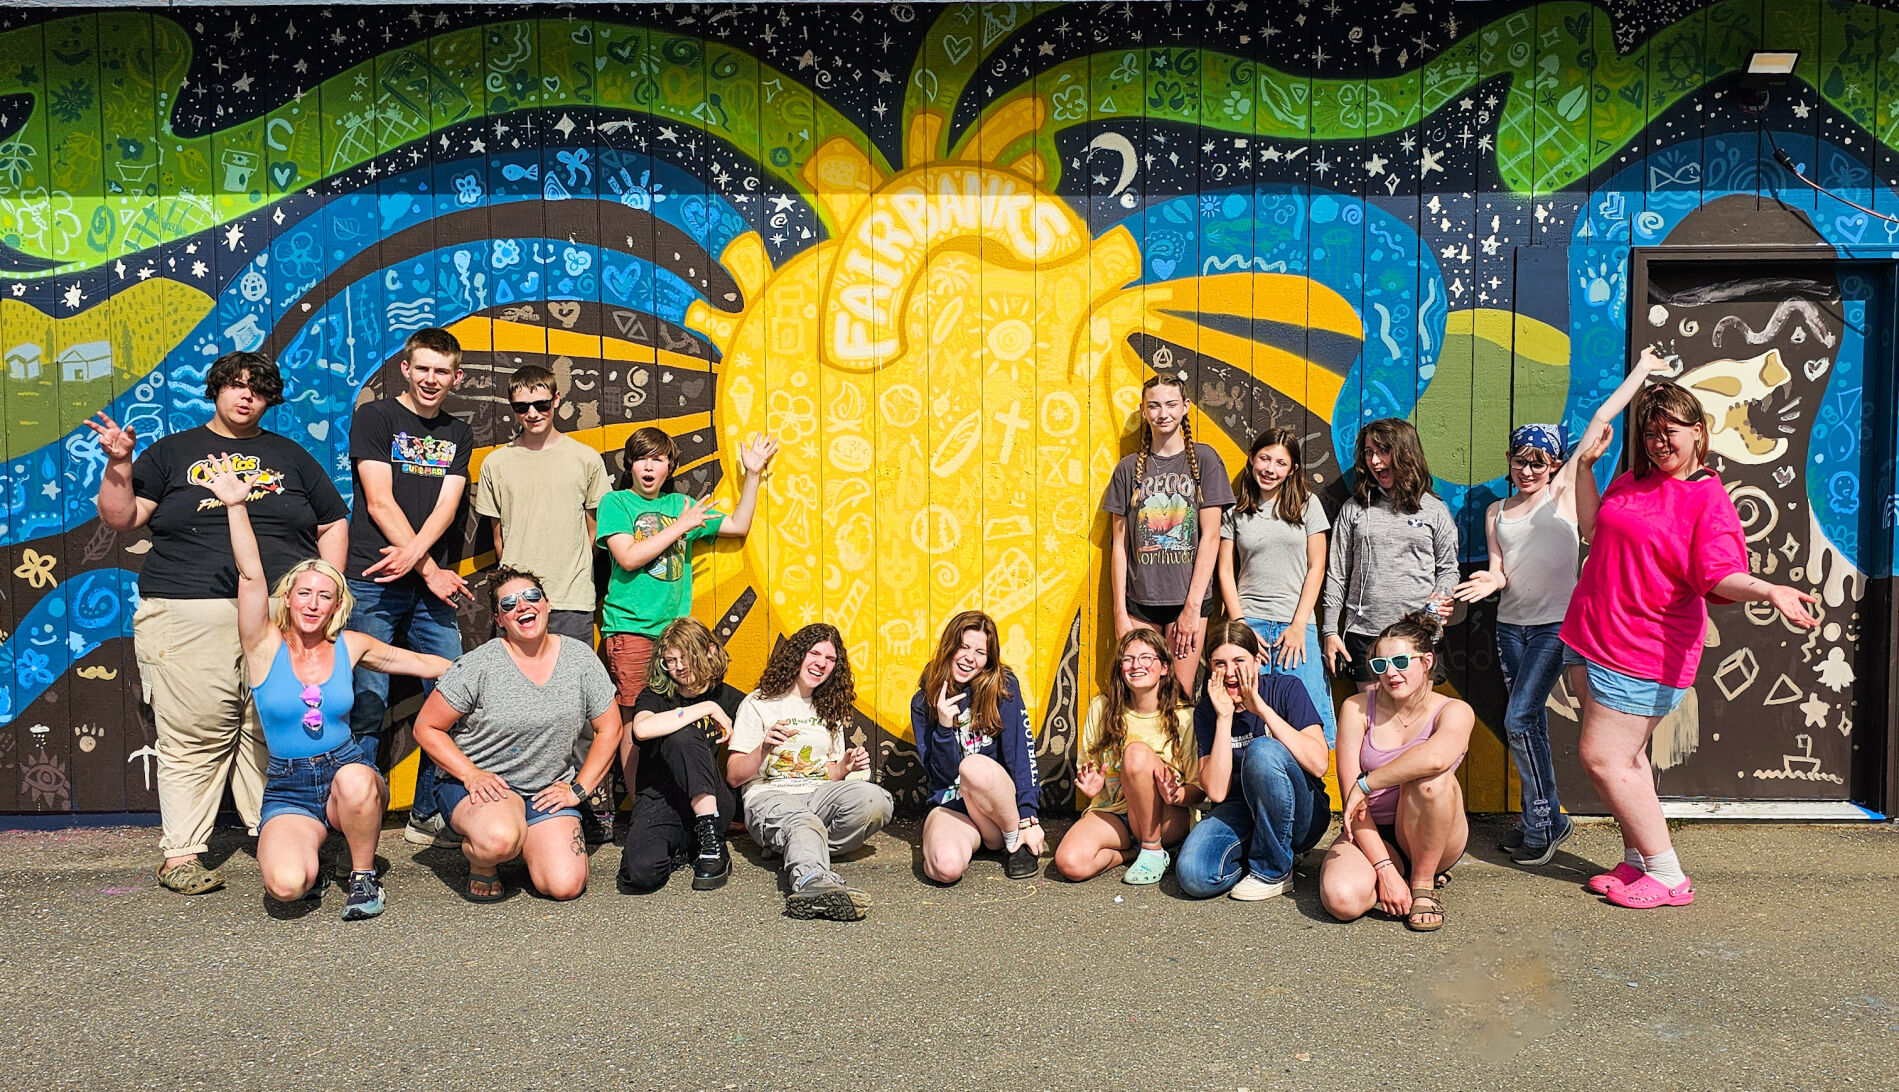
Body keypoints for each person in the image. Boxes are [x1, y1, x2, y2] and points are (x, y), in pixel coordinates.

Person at [86, 351, 349, 896]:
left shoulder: (291, 457)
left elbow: (332, 521)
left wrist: (326, 591)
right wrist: (119, 465)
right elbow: (120, 516)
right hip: (188, 611)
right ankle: (181, 855)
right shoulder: (172, 452)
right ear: (216, 390)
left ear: (270, 399)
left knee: (269, 729)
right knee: (193, 734)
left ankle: (278, 838)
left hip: (278, 613)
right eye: (235, 384)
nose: (246, 395)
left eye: (258, 388)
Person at [1563, 376, 1818, 909]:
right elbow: (1593, 531)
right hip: (1592, 633)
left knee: (1604, 759)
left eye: (1670, 431)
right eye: (1651, 433)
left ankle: (1668, 876)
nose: (1659, 443)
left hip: (1643, 649)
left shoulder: (1707, 499)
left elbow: (1720, 574)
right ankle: (1638, 860)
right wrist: (1585, 469)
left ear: (1698, 431)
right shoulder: (1633, 480)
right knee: (1629, 759)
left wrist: (1769, 590)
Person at [204, 455, 451, 919]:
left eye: (325, 596)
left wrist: (489, 667)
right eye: (304, 593)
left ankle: (363, 876)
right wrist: (236, 505)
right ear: (288, 598)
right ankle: (313, 861)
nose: (313, 604)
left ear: (337, 605)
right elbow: (251, 574)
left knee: (357, 779)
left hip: (346, 772)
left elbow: (422, 662)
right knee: (286, 887)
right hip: (289, 786)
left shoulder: (350, 645)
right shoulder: (263, 645)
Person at [1452, 348, 1669, 866]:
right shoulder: (1496, 511)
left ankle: (1545, 822)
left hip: (1557, 626)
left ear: (1554, 465)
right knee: (1526, 722)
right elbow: (1502, 568)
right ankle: (1546, 819)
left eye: (1539, 461)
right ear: (1509, 460)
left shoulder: (1563, 493)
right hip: (1510, 627)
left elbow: (1600, 419)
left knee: (1520, 718)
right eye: (1519, 459)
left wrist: (1642, 369)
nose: (1527, 469)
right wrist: (1488, 579)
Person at [412, 567, 624, 902]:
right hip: (485, 783)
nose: (522, 606)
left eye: (531, 596)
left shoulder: (580, 659)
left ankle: (527, 839)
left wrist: (578, 789)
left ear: (547, 604)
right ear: (499, 619)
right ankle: (483, 859)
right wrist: (470, 774)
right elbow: (426, 726)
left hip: (545, 790)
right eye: (509, 604)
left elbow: (610, 727)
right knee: (498, 840)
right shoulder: (479, 665)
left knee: (565, 885)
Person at [343, 326, 476, 849]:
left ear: (456, 377)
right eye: (422, 368)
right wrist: (430, 569)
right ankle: (357, 820)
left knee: (452, 693)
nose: (431, 378)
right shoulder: (375, 417)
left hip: (429, 586)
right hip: (374, 578)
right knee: (367, 699)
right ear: (406, 368)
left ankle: (427, 812)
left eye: (442, 371)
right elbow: (379, 502)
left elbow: (447, 507)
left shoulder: (458, 432)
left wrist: (423, 567)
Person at [473, 363, 612, 839]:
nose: (531, 413)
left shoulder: (585, 459)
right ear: (511, 408)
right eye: (521, 406)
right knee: (514, 704)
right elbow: (498, 534)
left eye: (539, 403)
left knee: (580, 707)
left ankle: (586, 800)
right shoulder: (496, 464)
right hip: (516, 603)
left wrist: (569, 568)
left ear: (556, 401)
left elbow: (595, 528)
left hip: (571, 597)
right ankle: (518, 803)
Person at [597, 426, 777, 792]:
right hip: (631, 628)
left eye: (658, 459)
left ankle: (681, 794)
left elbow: (738, 525)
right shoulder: (616, 503)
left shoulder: (681, 506)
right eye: (641, 459)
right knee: (636, 717)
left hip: (675, 636)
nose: (649, 467)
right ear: (630, 464)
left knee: (679, 711)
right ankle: (638, 803)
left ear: (670, 466)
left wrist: (752, 474)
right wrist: (681, 527)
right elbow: (628, 557)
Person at [726, 624, 894, 921]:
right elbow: (734, 776)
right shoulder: (759, 703)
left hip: (818, 795)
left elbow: (827, 772)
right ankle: (811, 881)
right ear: (797, 655)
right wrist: (764, 748)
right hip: (770, 795)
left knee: (876, 801)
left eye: (830, 659)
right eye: (814, 653)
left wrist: (844, 767)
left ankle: (798, 847)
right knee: (804, 821)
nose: (821, 663)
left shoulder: (828, 707)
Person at [1320, 612, 1474, 931]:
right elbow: (1353, 803)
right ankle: (1395, 873)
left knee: (1430, 780)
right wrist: (1385, 869)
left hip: (1433, 835)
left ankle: (1423, 883)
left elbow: (1435, 758)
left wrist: (1367, 783)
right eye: (1381, 665)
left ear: (1427, 661)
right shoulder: (1356, 708)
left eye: (1401, 662)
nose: (1391, 673)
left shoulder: (1454, 711)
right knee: (1342, 900)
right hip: (1372, 829)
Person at [1176, 623, 1331, 902]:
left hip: (1301, 812)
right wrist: (1224, 718)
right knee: (1194, 875)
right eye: (1220, 663)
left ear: (1257, 661)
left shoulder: (1286, 688)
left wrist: (1261, 709)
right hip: (1241, 808)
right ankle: (1261, 851)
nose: (1230, 672)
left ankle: (1273, 872)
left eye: (1239, 660)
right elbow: (1217, 792)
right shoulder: (1207, 711)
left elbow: (1319, 764)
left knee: (1262, 751)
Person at [1101, 373, 1235, 691]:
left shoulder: (1205, 460)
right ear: (1143, 410)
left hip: (1187, 601)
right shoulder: (1127, 469)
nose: (1163, 413)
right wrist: (1120, 612)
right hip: (1139, 603)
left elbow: (1211, 538)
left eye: (1171, 404)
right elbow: (1119, 545)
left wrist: (1192, 607)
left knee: (1179, 694)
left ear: (1185, 406)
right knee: (1140, 694)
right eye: (1154, 406)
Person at [1053, 629, 1201, 885]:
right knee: (1070, 863)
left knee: (1135, 752)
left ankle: (1153, 849)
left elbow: (1199, 790)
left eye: (1146, 658)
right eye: (1128, 659)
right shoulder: (1102, 708)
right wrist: (1092, 785)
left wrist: (1177, 794)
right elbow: (1090, 766)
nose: (1136, 665)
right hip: (1115, 813)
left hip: (1165, 817)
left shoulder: (1185, 717)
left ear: (1164, 667)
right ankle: (1133, 853)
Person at [1321, 418, 1459, 693]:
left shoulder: (1434, 510)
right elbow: (1337, 575)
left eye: (1383, 451)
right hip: (1365, 635)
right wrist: (1330, 631)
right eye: (1369, 452)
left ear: (1405, 453)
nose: (1375, 461)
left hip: (1418, 636)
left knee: (1414, 716)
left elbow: (1448, 569)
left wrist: (1440, 598)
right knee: (1372, 716)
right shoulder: (1354, 510)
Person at [1217, 427, 1335, 740]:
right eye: (1264, 459)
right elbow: (1225, 571)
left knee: (1307, 723)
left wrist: (1298, 626)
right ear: (1251, 459)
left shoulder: (1308, 505)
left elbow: (1317, 568)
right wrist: (1241, 627)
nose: (1270, 469)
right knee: (1248, 723)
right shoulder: (1235, 511)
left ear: (1292, 469)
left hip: (1295, 628)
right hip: (1249, 624)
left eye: (1281, 463)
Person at [910, 611, 1043, 884]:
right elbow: (942, 776)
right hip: (954, 807)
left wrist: (1028, 817)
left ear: (988, 659)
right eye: (963, 647)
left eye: (980, 652)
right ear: (949, 647)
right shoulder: (923, 701)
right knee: (944, 868)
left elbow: (1022, 754)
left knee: (973, 767)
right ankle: (971, 844)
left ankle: (1015, 841)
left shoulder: (1003, 688)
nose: (970, 658)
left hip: (996, 809)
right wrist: (944, 728)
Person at [618, 618, 746, 894]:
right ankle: (689, 845)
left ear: (710, 651)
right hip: (661, 799)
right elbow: (641, 729)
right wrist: (707, 708)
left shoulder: (729, 698)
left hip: (712, 799)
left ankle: (711, 841)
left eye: (686, 657)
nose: (679, 667)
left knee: (683, 735)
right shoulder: (655, 696)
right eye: (671, 661)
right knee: (641, 873)